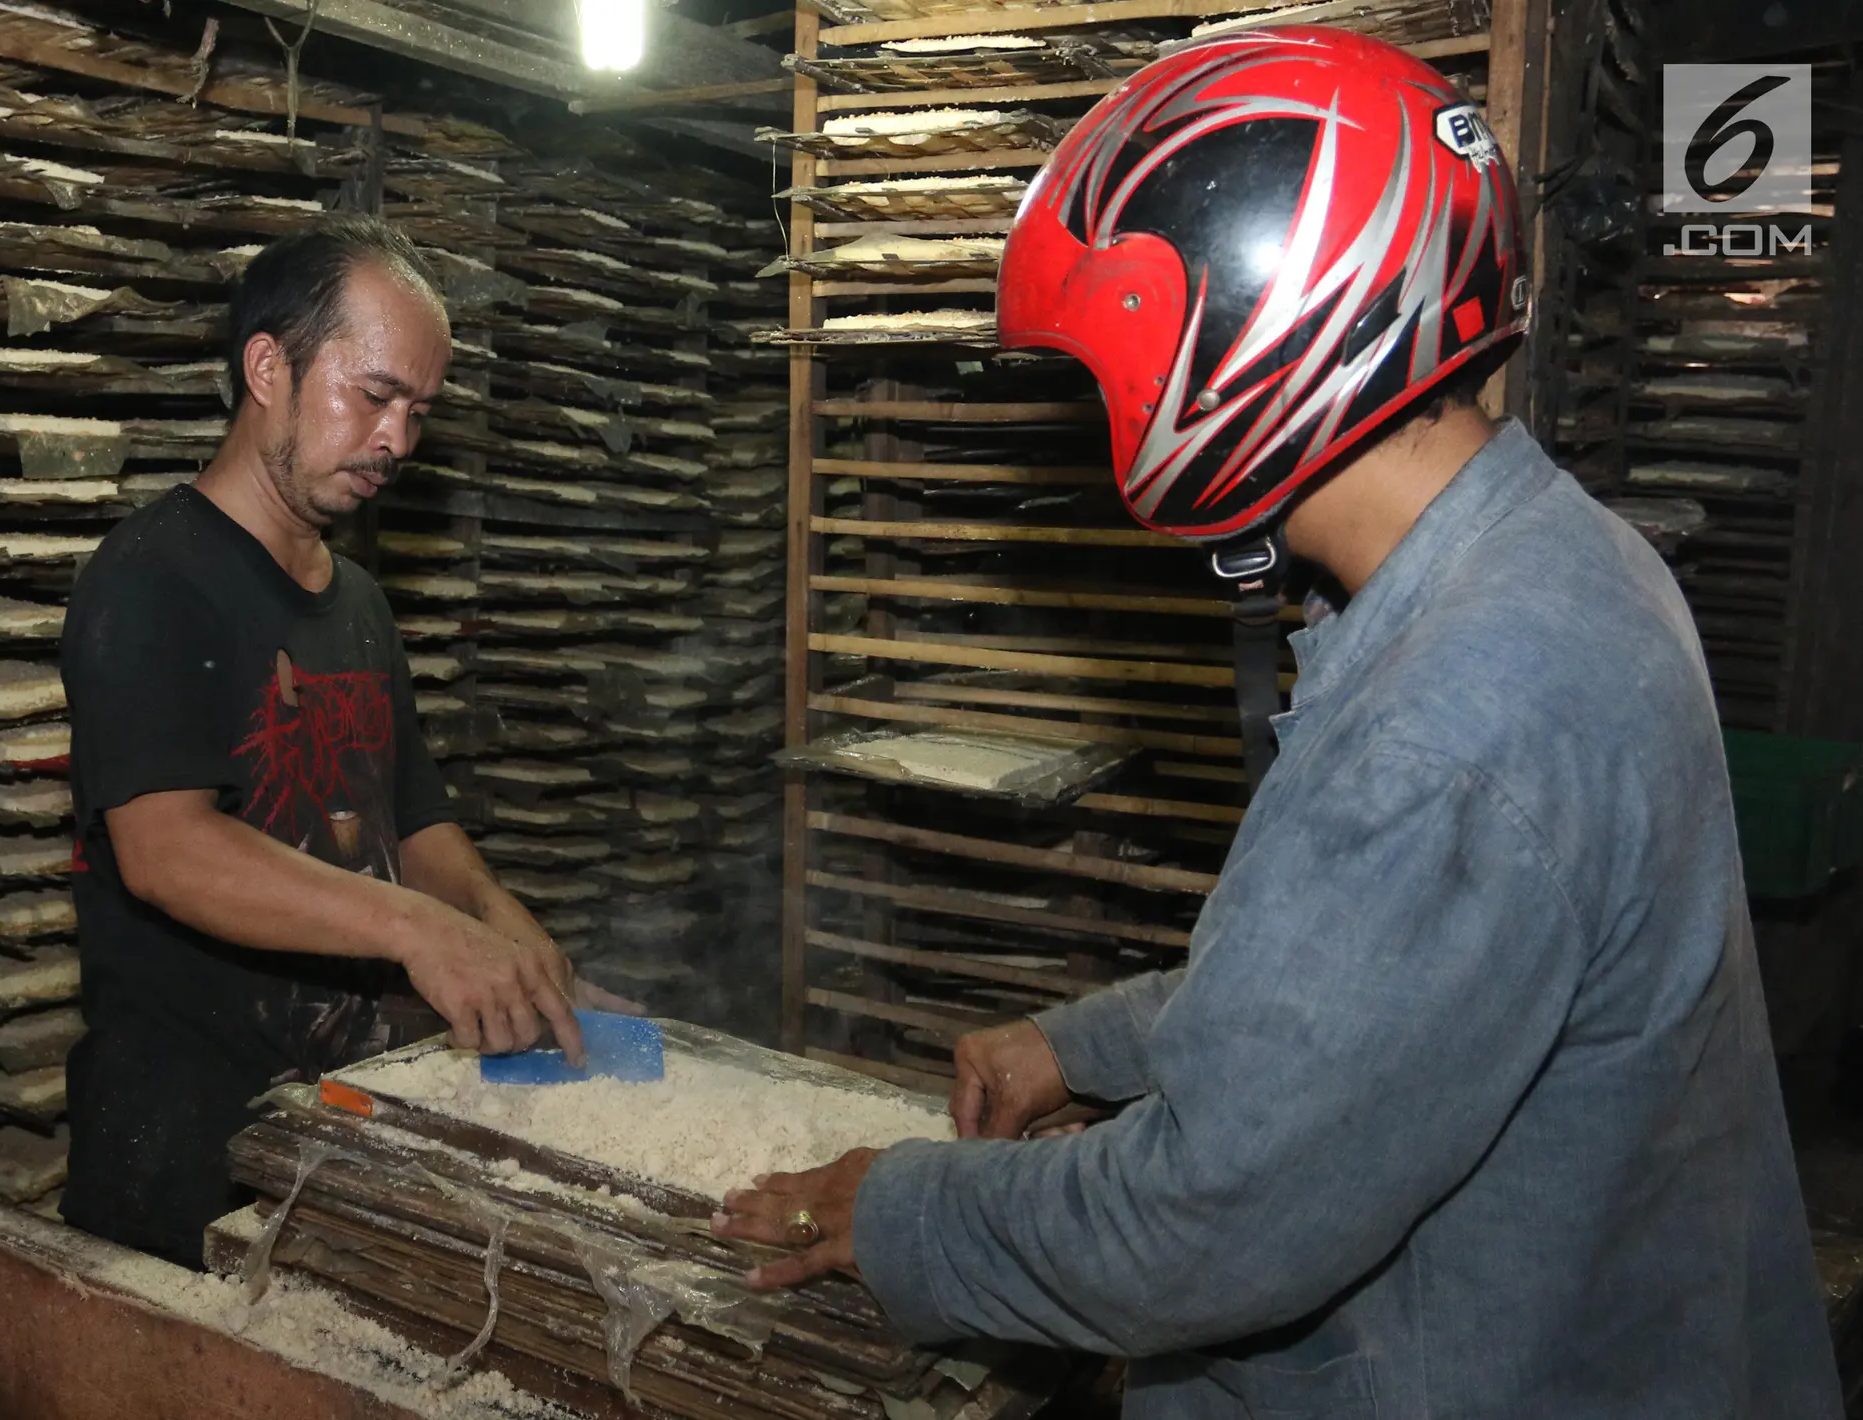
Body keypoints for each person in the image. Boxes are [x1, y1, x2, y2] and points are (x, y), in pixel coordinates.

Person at [714, 27, 1842, 1417]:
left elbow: (1203, 1229)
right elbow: (1386, 983)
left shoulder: (1451, 718)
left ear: (1237, 344)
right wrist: (1088, 1046)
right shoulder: (1564, 566)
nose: (1101, 416)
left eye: (1100, 372)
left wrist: (906, 1213)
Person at [59, 215, 591, 1267]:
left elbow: (416, 821)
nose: (397, 440)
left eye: (418, 412)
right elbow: (166, 850)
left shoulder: (355, 603)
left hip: (342, 1120)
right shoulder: (150, 580)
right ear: (268, 367)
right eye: (374, 395)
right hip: (190, 1146)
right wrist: (414, 931)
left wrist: (493, 919)